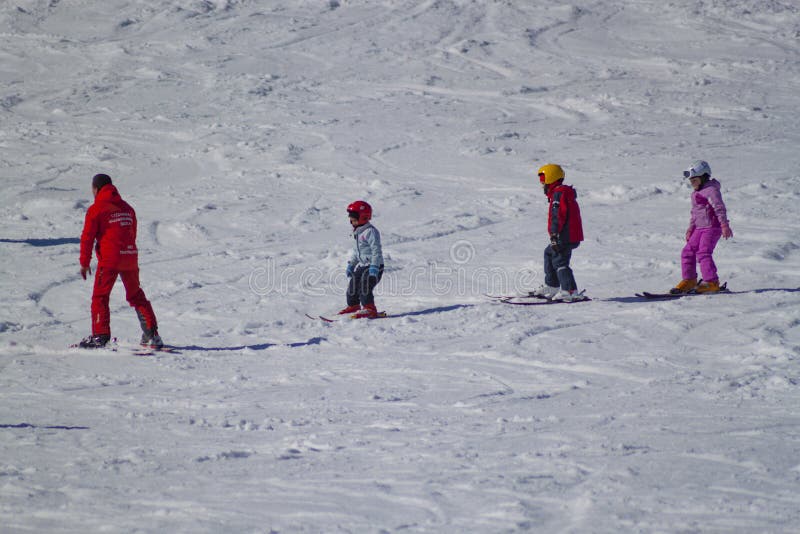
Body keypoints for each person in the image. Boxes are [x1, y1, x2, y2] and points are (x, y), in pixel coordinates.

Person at [77, 174, 163, 348]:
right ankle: (152, 335)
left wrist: (85, 262)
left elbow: (87, 237)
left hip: (109, 259)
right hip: (130, 257)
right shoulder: (127, 208)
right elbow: (132, 232)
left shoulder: (97, 209)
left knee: (100, 297)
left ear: (96, 189)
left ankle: (100, 336)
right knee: (136, 295)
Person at [671, 160, 733, 294]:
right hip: (699, 228)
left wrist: (724, 225)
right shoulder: (695, 193)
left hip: (712, 227)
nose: (692, 182)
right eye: (690, 180)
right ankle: (690, 280)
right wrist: (690, 229)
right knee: (687, 252)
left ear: (704, 176)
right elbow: (695, 213)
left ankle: (711, 282)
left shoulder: (711, 190)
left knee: (703, 253)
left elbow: (719, 208)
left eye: (695, 179)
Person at [530, 163, 586, 301]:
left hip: (565, 236)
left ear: (551, 178)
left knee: (560, 261)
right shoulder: (561, 193)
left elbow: (557, 216)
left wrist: (554, 234)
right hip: (568, 235)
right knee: (549, 253)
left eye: (543, 178)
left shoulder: (559, 194)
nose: (542, 183)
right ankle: (552, 286)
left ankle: (570, 290)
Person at [339, 200, 384, 318]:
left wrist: (375, 266)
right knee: (353, 284)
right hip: (363, 265)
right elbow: (356, 251)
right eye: (350, 218)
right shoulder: (358, 232)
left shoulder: (371, 232)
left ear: (363, 217)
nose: (351, 221)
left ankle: (370, 308)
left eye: (353, 218)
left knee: (365, 285)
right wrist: (351, 265)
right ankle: (353, 305)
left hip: (374, 265)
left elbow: (376, 251)